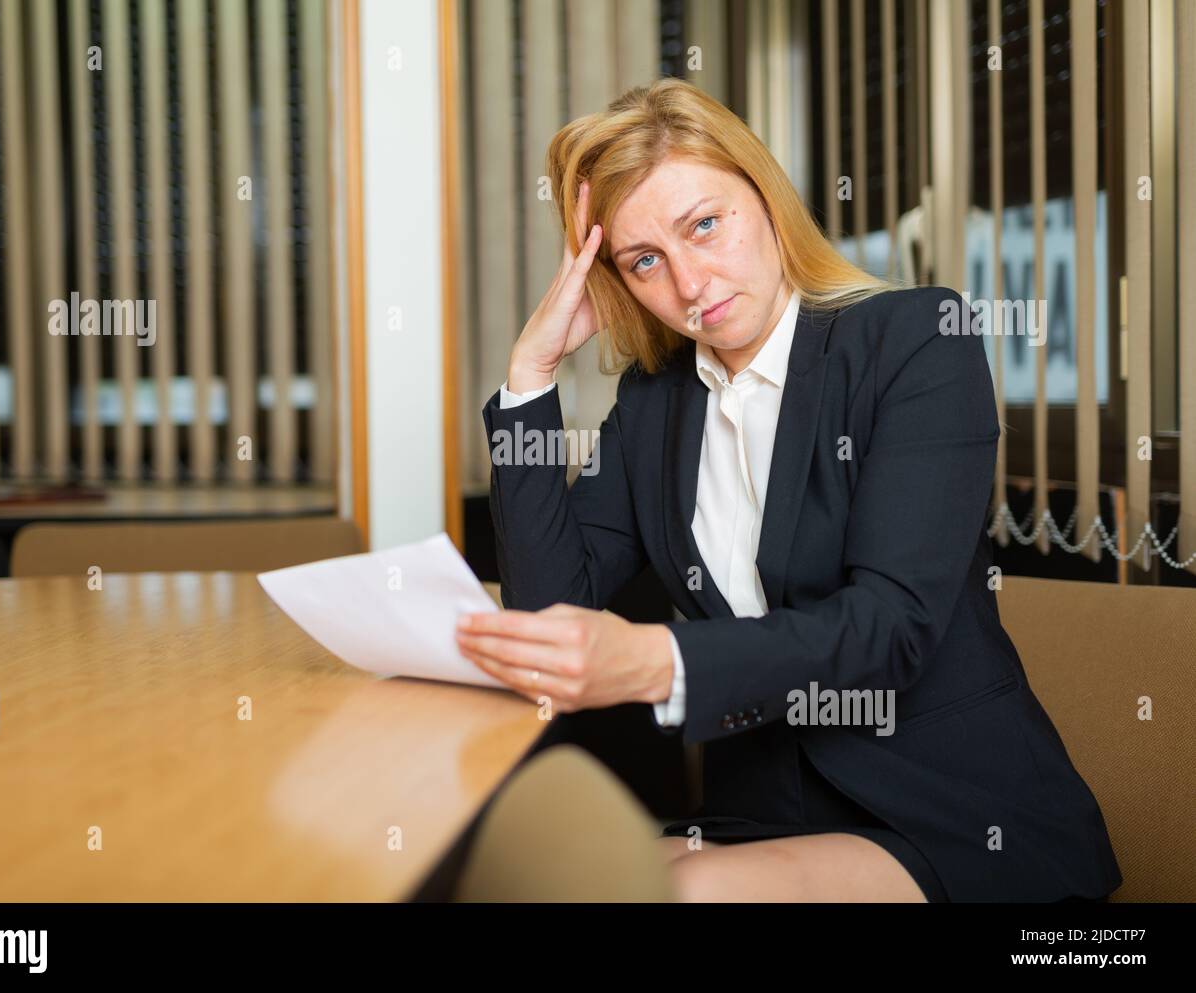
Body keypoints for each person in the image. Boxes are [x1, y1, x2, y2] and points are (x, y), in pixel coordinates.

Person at [454, 77, 1122, 902]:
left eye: (705, 225)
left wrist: (658, 660)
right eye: (645, 261)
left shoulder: (913, 342)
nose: (691, 284)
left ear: (766, 198)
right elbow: (548, 608)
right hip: (761, 812)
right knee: (554, 882)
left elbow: (891, 627)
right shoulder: (655, 403)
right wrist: (530, 377)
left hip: (950, 814)